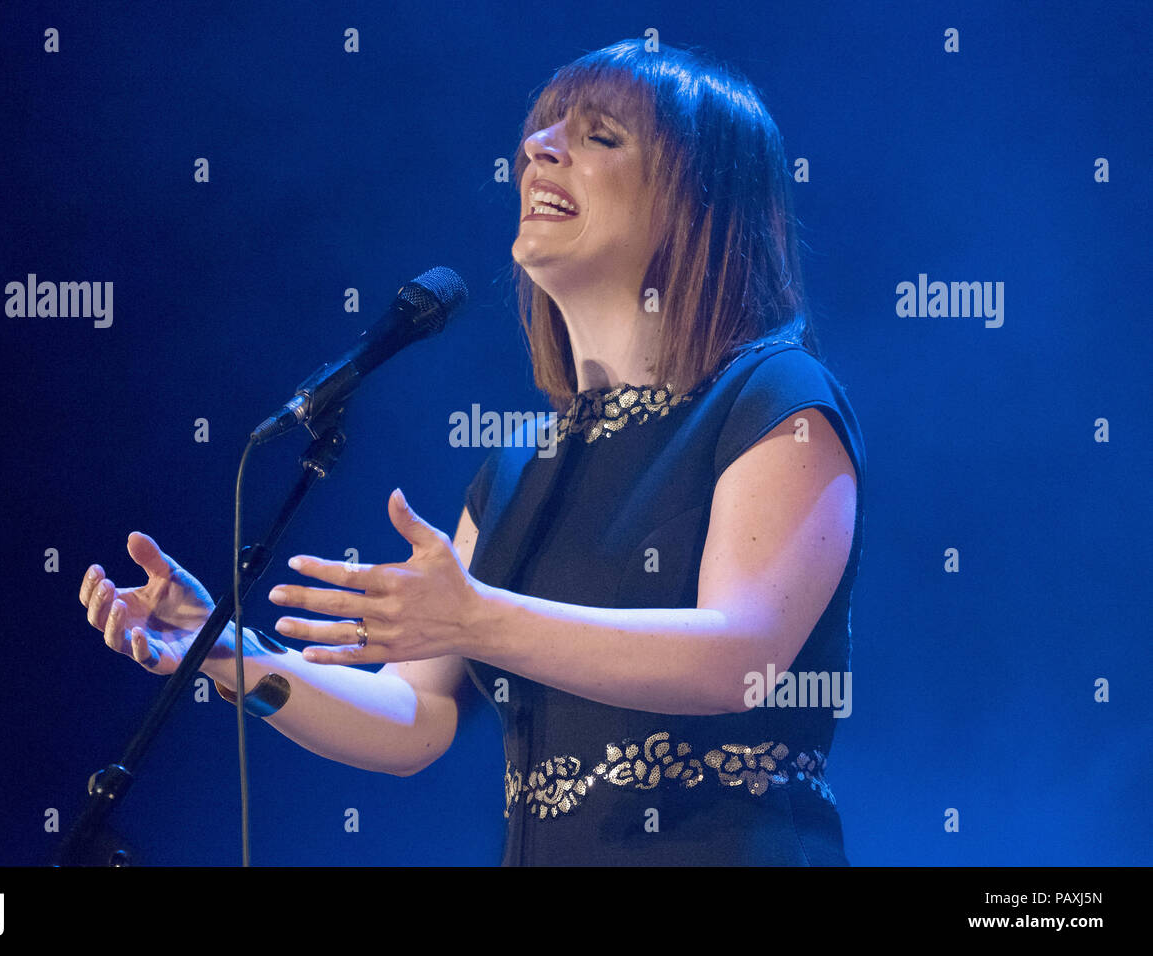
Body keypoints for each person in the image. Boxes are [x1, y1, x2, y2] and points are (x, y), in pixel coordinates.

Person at [80, 38, 865, 865]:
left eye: (600, 136)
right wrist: (220, 649)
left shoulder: (777, 397)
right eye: (541, 131)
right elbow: (413, 722)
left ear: (701, 201)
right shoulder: (516, 472)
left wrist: (480, 618)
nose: (538, 148)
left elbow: (739, 659)